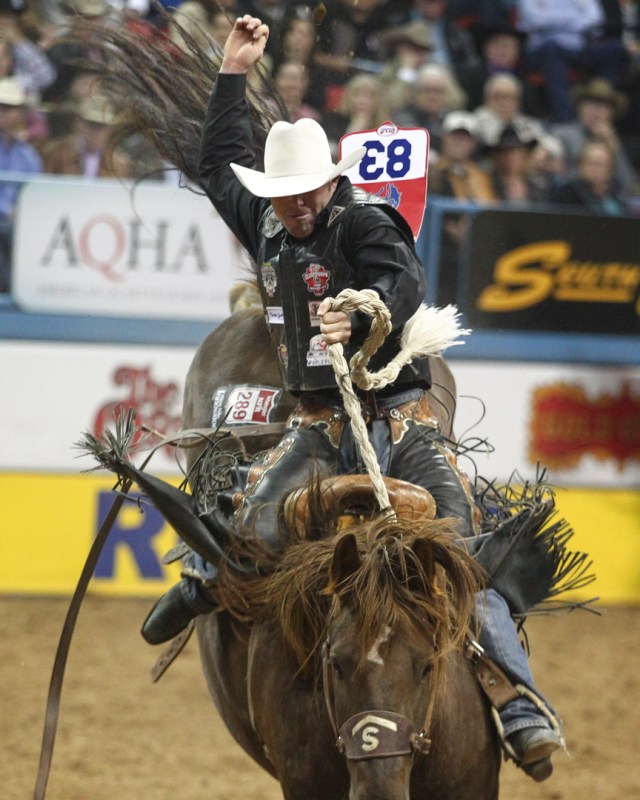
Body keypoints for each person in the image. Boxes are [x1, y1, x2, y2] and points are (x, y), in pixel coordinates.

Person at [141, 13, 564, 782]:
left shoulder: (365, 221)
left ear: (329, 184)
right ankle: (206, 581)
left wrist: (365, 304)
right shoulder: (268, 225)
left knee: (462, 561)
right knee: (247, 530)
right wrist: (233, 71)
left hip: (398, 429)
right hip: (312, 430)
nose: (296, 207)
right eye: (284, 195)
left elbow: (405, 281)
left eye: (306, 193)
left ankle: (515, 698)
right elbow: (217, 162)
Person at [516, 0, 630, 122]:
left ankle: (608, 112)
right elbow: (535, 19)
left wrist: (551, 20)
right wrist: (575, 18)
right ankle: (566, 119)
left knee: (615, 49)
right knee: (552, 51)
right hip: (542, 48)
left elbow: (595, 19)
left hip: (580, 47)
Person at [552, 78, 639, 197]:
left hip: (607, 206)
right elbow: (555, 177)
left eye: (604, 106)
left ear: (611, 114)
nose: (597, 112)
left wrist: (615, 148)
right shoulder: (562, 135)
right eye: (591, 104)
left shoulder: (617, 142)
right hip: (571, 203)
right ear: (580, 107)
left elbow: (630, 185)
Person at [0, 76, 43, 292]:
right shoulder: (29, 155)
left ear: (19, 113)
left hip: (18, 224)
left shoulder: (28, 156)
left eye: (10, 108)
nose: (5, 113)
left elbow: (35, 195)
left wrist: (20, 211)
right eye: (2, 107)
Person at [551, 139, 629, 215]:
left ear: (611, 168)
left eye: (599, 163)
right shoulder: (567, 194)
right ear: (581, 164)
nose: (594, 168)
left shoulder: (618, 192)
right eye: (591, 162)